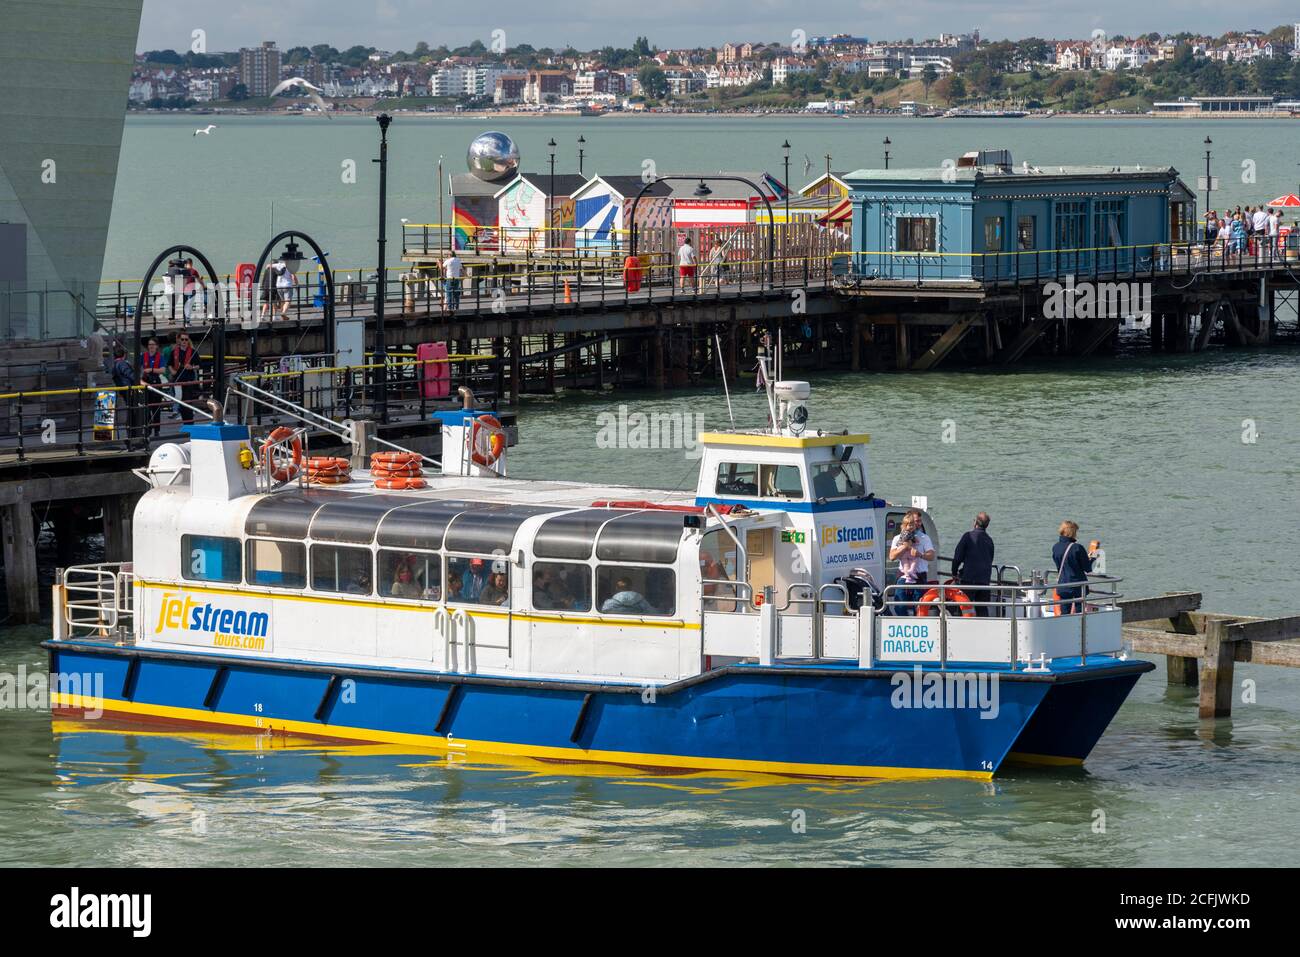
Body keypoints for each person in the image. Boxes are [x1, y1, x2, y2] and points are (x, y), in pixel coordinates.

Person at [888, 509, 935, 616]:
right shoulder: (897, 538)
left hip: (919, 576)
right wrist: (905, 546)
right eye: (915, 521)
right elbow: (891, 557)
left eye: (919, 521)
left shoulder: (924, 538)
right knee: (899, 606)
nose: (918, 524)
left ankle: (917, 626)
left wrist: (920, 554)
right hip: (903, 576)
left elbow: (931, 556)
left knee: (919, 607)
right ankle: (904, 625)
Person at [951, 512, 995, 617]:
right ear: (987, 525)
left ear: (975, 522)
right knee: (982, 608)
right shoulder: (989, 540)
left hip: (969, 579)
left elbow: (957, 557)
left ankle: (962, 628)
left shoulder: (968, 536)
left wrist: (954, 572)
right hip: (984, 580)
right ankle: (984, 629)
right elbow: (990, 559)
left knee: (963, 606)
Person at [1052, 520, 1097, 616]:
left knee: (1064, 613)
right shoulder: (1077, 548)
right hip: (1077, 585)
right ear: (1072, 532)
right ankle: (1079, 630)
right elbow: (1087, 568)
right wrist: (1092, 558)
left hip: (1063, 584)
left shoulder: (1055, 547)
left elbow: (1060, 565)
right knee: (1079, 612)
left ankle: (1065, 628)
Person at [168, 332, 200, 424]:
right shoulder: (174, 352)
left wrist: (192, 367)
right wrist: (172, 371)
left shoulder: (193, 352)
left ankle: (189, 423)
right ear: (179, 340)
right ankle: (185, 422)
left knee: (187, 402)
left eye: (186, 339)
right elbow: (169, 364)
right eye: (182, 339)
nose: (184, 341)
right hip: (178, 380)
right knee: (181, 402)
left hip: (188, 380)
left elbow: (199, 365)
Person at [140, 337, 166, 436]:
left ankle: (157, 430)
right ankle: (148, 429)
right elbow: (138, 367)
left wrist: (151, 369)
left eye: (153, 345)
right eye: (149, 345)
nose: (151, 347)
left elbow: (163, 370)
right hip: (145, 382)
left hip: (156, 382)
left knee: (156, 408)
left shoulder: (160, 357)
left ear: (157, 346)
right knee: (146, 408)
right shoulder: (143, 356)